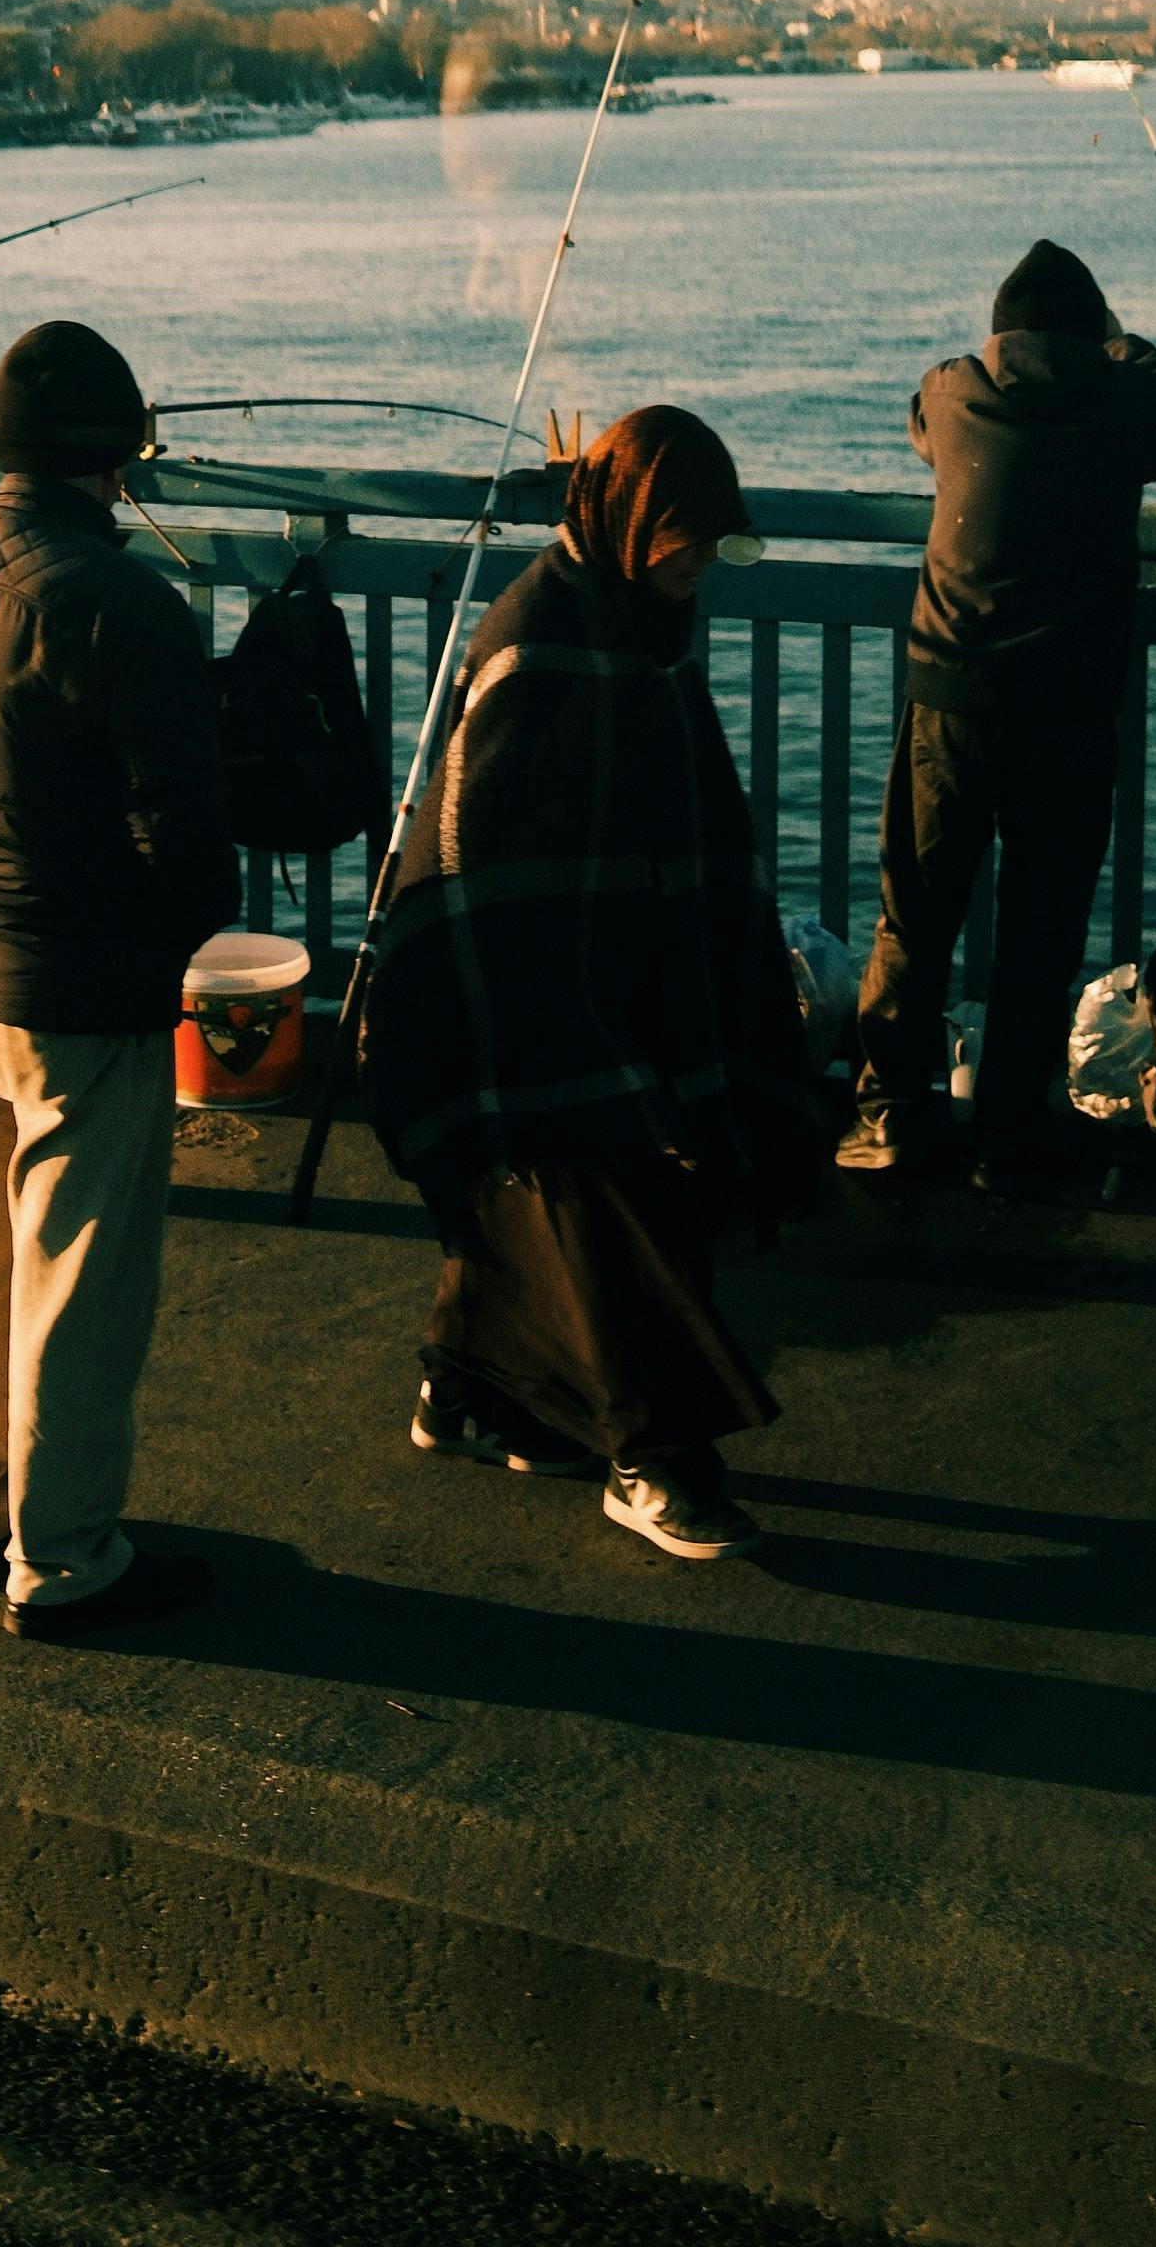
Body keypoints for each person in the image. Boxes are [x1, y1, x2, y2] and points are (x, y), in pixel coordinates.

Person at [360, 406, 822, 1563]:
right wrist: (557, 1016)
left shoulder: (642, 622)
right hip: (527, 999)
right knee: (615, 1215)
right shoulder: (540, 642)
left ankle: (474, 1393)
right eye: (687, 543)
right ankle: (654, 1459)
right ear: (628, 523)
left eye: (719, 545)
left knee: (531, 1217)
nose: (702, 567)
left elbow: (679, 809)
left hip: (623, 977)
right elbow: (477, 860)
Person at [0, 318, 237, 1639]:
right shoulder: (132, 606)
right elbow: (184, 842)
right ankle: (66, 1557)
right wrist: (182, 943)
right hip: (80, 995)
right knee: (78, 1279)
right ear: (123, 451)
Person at [839, 238, 1156, 1195]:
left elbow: (921, 428)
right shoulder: (1125, 404)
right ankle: (1009, 1133)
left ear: (1000, 336)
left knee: (915, 917)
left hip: (950, 700)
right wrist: (1128, 348)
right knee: (1040, 929)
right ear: (1091, 339)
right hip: (1069, 709)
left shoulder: (954, 392)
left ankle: (888, 1115)